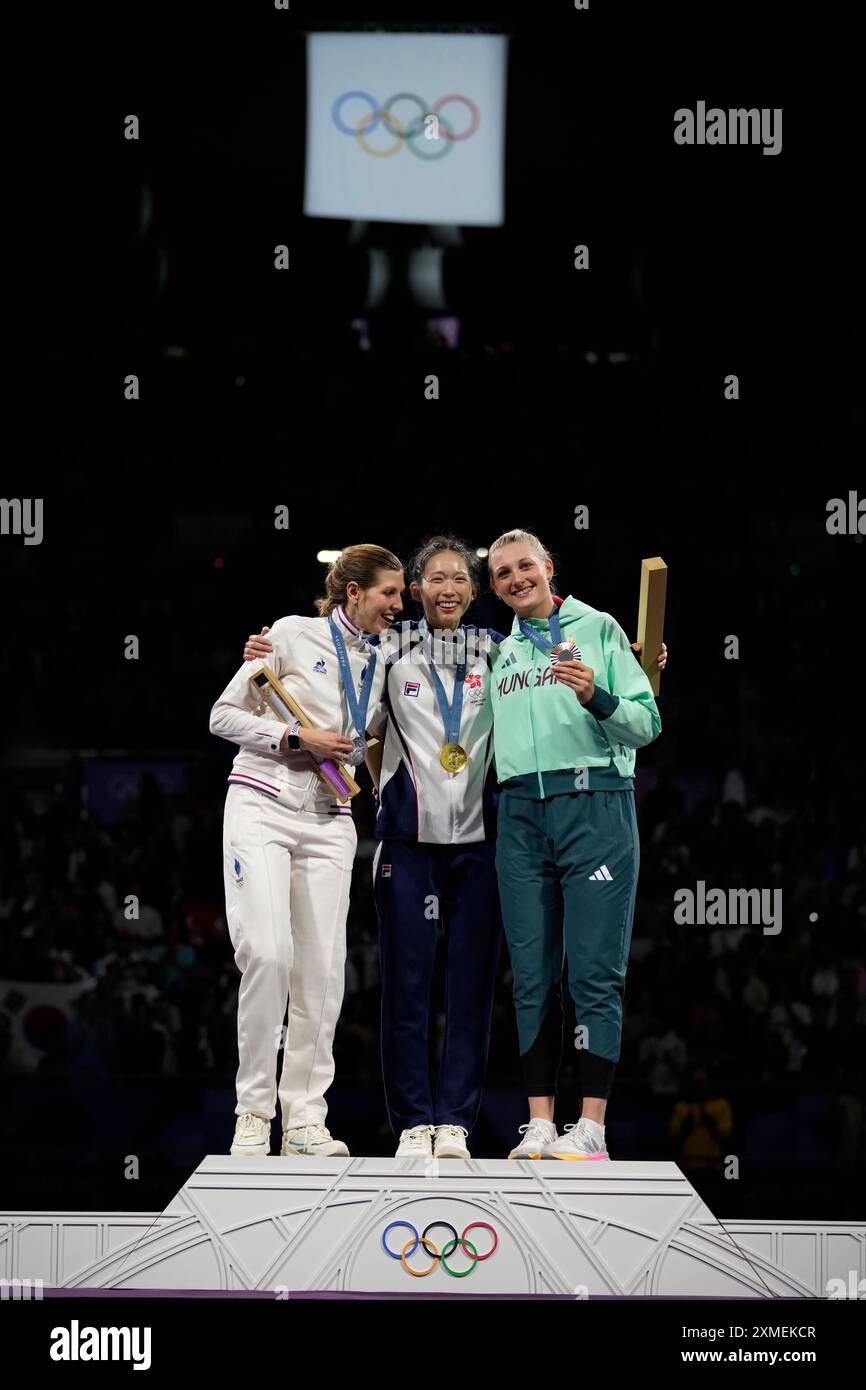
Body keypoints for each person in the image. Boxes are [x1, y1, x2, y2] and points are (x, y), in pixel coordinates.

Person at [209, 544, 404, 1157]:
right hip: (262, 804)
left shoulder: (394, 654)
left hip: (332, 816)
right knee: (268, 954)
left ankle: (304, 1120)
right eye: (389, 594)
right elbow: (222, 716)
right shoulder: (291, 634)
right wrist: (295, 734)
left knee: (321, 975)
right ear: (352, 591)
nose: (400, 606)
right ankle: (252, 1112)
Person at [487, 529, 662, 1161]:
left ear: (548, 567)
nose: (514, 579)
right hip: (520, 815)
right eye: (502, 573)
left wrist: (597, 692)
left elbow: (646, 723)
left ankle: (590, 1129)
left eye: (524, 566)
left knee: (593, 971)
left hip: (595, 808)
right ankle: (538, 1123)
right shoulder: (500, 655)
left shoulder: (600, 628)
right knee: (530, 976)